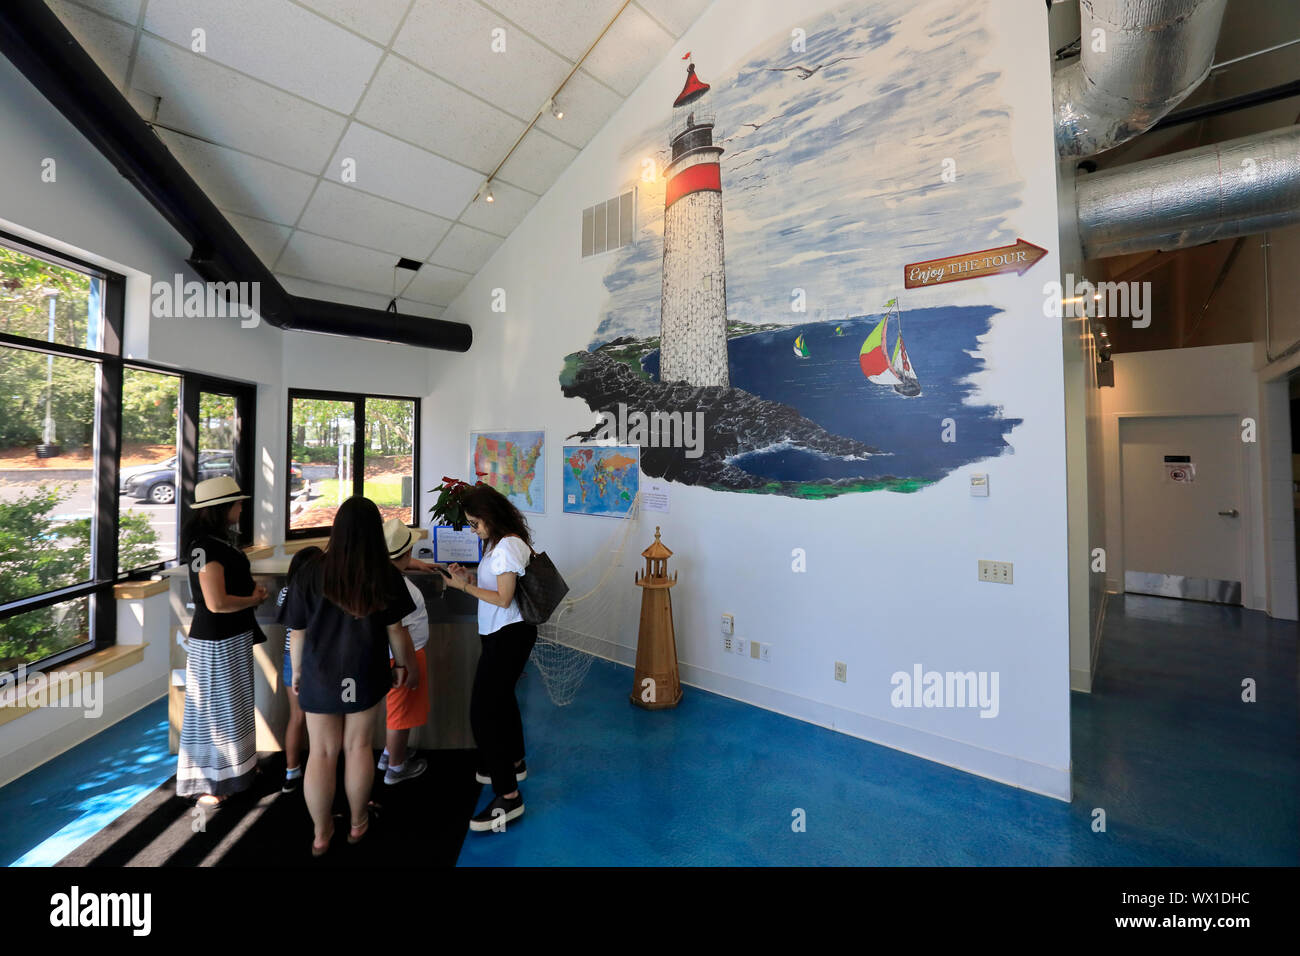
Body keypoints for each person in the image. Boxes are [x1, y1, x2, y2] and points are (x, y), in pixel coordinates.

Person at [277, 497, 419, 856]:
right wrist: (404, 667)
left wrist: (297, 673)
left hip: (319, 674)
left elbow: (298, 631)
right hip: (366, 670)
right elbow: (397, 632)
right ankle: (357, 823)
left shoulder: (309, 570)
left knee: (322, 753)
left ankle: (322, 833)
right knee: (357, 748)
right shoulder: (384, 573)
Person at [444, 486, 536, 832]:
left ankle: (508, 796)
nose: (473, 529)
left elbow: (503, 598)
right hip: (501, 635)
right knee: (501, 701)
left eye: (475, 523)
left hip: (509, 636)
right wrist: (468, 577)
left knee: (483, 713)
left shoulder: (509, 545)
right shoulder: (497, 542)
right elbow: (495, 587)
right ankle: (513, 761)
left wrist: (461, 587)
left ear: (490, 516)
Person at [177, 476, 268, 807]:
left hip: (232, 635)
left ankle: (238, 771)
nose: (241, 507)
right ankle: (210, 782)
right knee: (215, 711)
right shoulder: (203, 547)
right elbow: (214, 602)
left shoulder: (215, 542)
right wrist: (253, 599)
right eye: (238, 503)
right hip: (216, 640)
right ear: (222, 508)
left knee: (235, 706)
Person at [377, 518, 430, 785]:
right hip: (404, 657)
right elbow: (402, 631)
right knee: (401, 714)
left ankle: (389, 753)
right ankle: (395, 769)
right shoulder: (401, 588)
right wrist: (412, 667)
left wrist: (422, 565)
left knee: (398, 710)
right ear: (407, 552)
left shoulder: (383, 575)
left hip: (388, 656)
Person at [276, 546, 322, 794]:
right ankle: (320, 769)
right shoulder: (319, 591)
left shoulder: (285, 592)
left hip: (289, 658)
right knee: (320, 722)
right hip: (315, 660)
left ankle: (291, 771)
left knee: (296, 717)